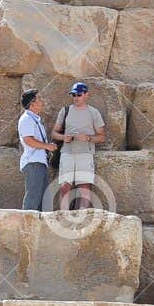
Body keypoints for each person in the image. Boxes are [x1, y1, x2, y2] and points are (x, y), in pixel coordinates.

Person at [51, 82, 106, 210]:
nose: (76, 97)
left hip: (85, 153)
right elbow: (54, 133)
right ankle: (64, 215)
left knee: (84, 187)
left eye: (79, 95)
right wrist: (64, 137)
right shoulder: (65, 110)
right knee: (65, 186)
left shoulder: (93, 112)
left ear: (86, 95)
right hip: (67, 152)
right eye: (74, 95)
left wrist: (88, 138)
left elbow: (102, 137)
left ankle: (82, 216)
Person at [18, 89, 57, 210]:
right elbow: (28, 140)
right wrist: (47, 146)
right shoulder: (26, 119)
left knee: (42, 199)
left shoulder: (35, 120)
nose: (41, 101)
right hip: (33, 162)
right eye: (39, 99)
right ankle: (26, 226)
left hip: (39, 162)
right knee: (33, 197)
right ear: (32, 103)